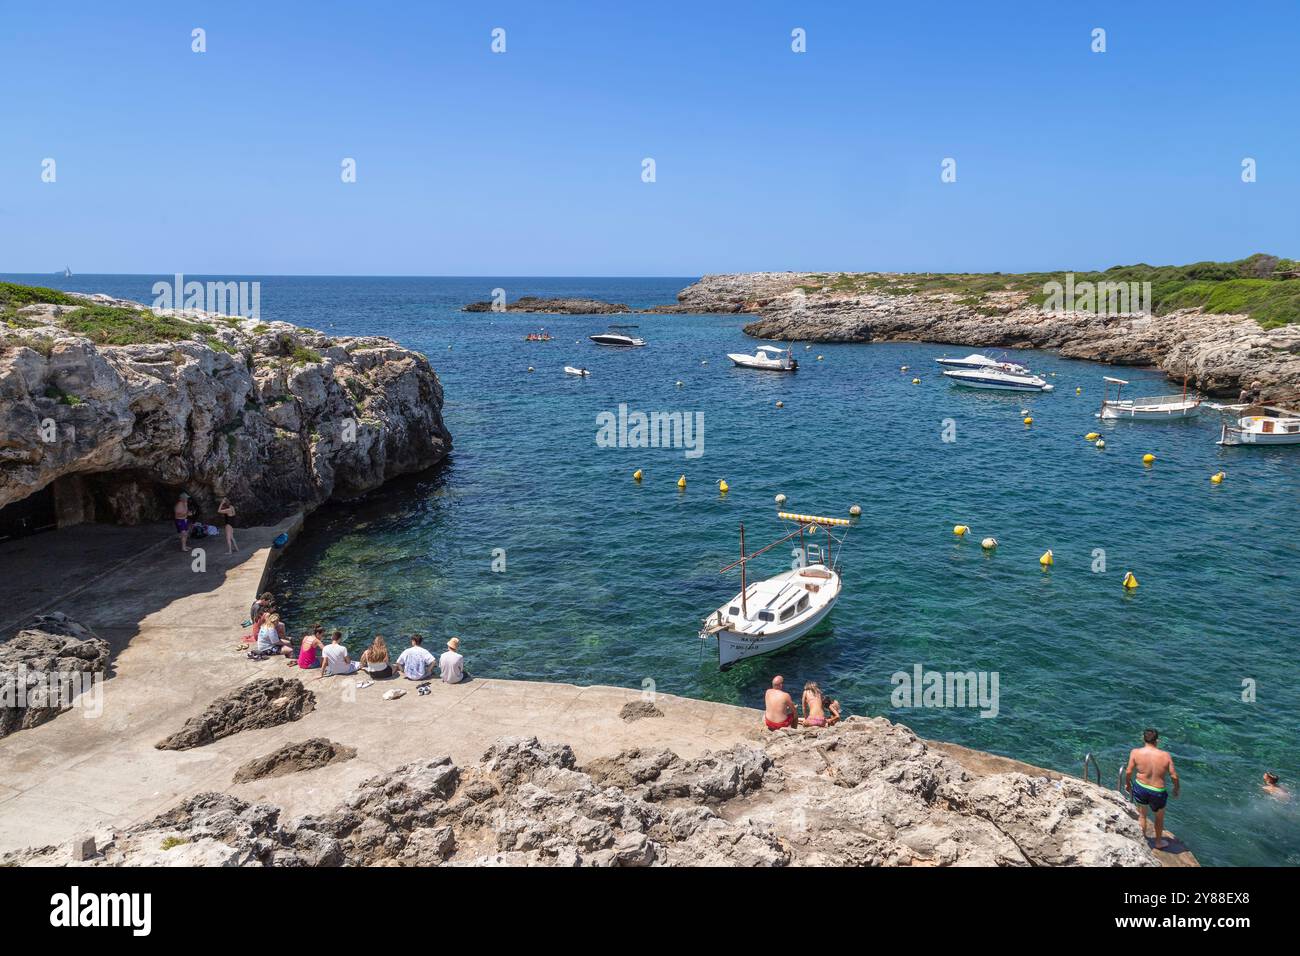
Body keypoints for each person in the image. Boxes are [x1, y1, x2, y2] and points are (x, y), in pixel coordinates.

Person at [1124, 728, 1180, 849]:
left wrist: (1128, 784)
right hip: (1158, 791)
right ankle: (1159, 842)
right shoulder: (1165, 755)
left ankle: (1142, 841)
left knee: (1142, 816)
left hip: (1141, 787)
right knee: (1159, 818)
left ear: (1142, 738)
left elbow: (1128, 771)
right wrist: (1176, 788)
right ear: (1157, 740)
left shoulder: (1135, 752)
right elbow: (1174, 776)